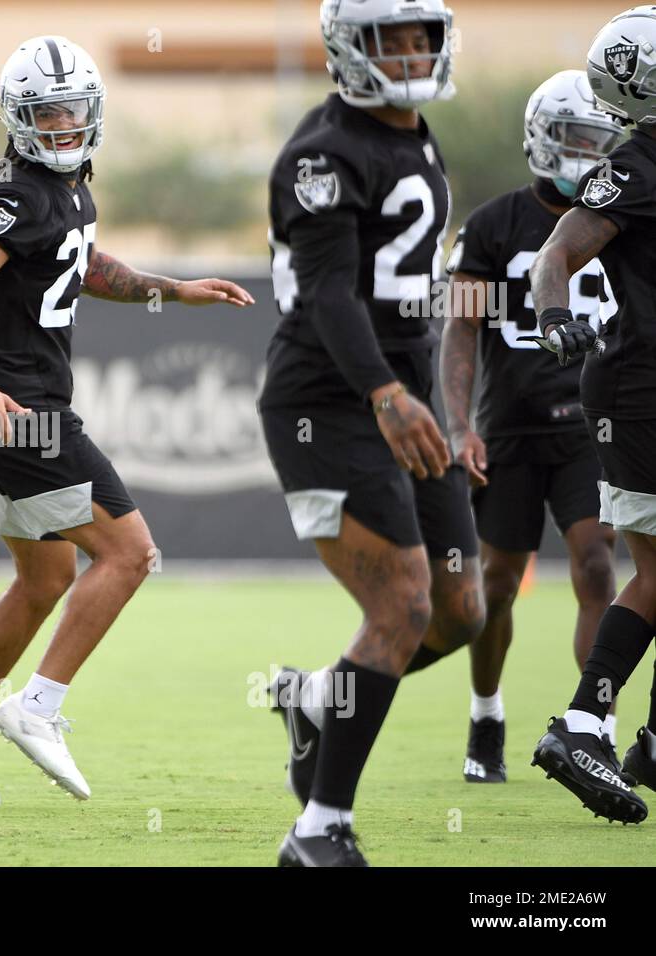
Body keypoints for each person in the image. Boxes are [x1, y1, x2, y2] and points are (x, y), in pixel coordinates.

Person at [0, 35, 253, 806]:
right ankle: (37, 708)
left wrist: (173, 287)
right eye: (47, 114)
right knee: (130, 555)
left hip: (9, 410)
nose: (63, 127)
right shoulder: (18, 193)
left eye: (73, 112)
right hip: (15, 410)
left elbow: (83, 266)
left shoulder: (67, 194)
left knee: (47, 576)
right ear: (18, 119)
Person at [262, 0, 482, 866]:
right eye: (390, 37)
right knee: (401, 604)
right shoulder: (322, 154)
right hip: (330, 402)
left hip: (402, 397)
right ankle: (320, 828)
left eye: (421, 36)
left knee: (462, 610)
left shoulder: (416, 131)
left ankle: (320, 696)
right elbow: (329, 295)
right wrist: (389, 393)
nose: (409, 52)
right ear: (348, 48)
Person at [441, 69, 624, 784]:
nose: (588, 153)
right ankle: (486, 712)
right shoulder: (492, 225)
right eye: (577, 139)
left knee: (597, 565)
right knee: (495, 583)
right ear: (543, 141)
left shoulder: (621, 215)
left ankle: (595, 729)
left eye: (600, 140)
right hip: (511, 425)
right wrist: (460, 426)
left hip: (590, 424)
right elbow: (460, 330)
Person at [527, 5, 656, 825]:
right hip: (642, 389)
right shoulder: (639, 165)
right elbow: (557, 253)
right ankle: (583, 723)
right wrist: (551, 318)